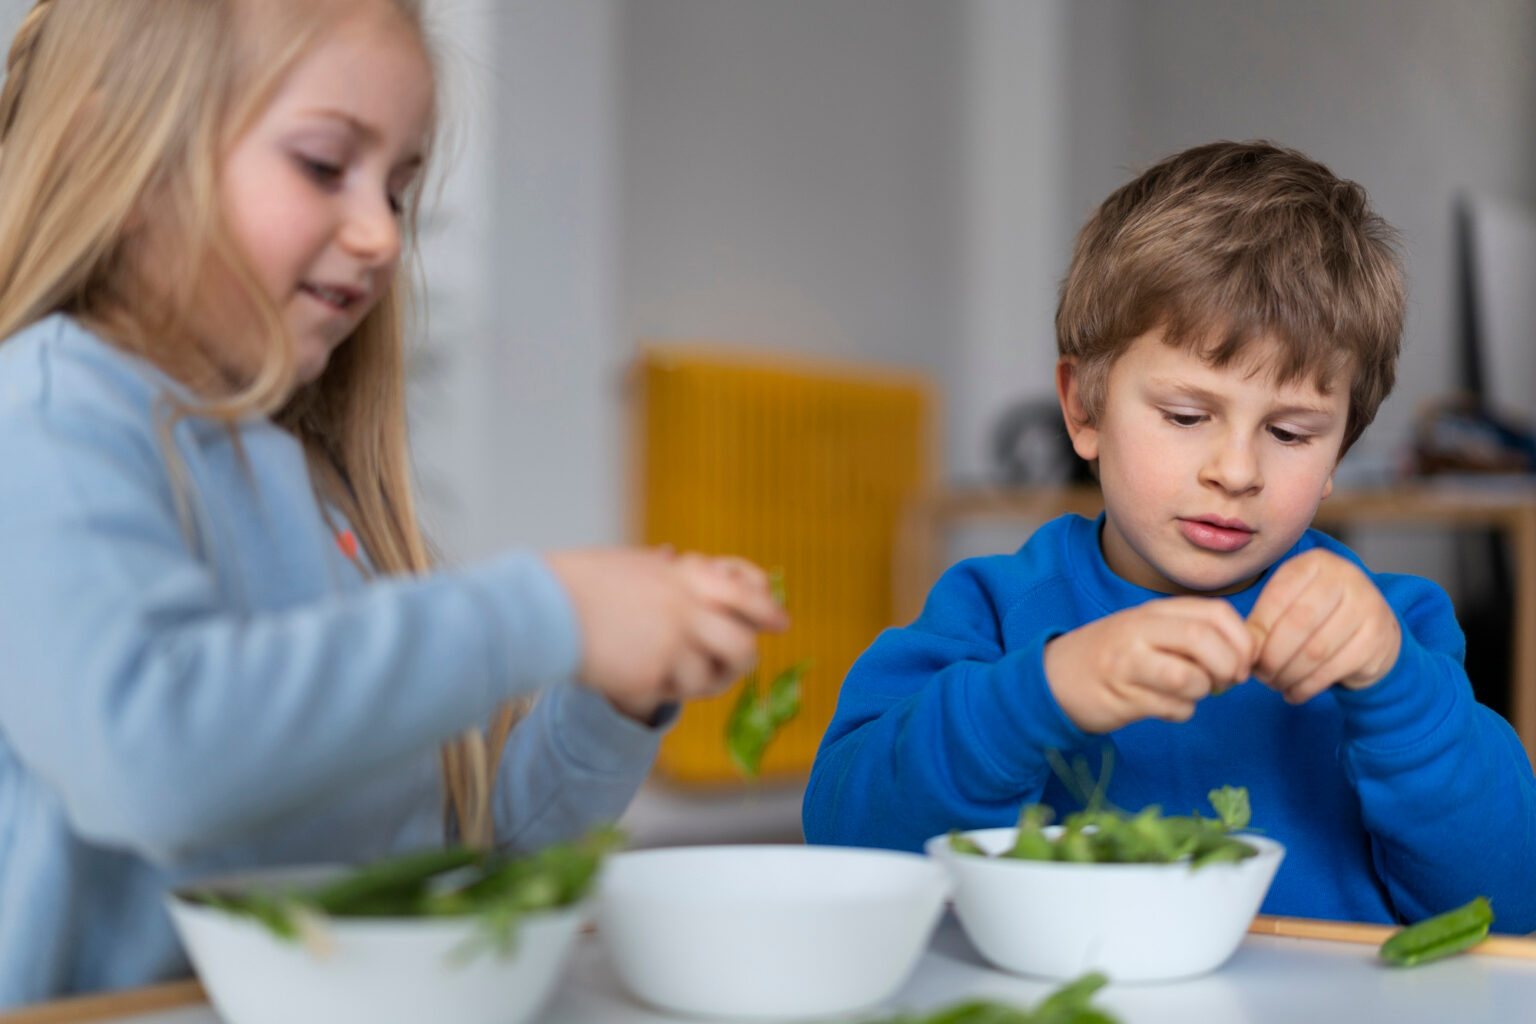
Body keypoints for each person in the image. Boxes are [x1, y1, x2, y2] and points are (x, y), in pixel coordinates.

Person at [0, 0, 788, 1008]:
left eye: (400, 191)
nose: (378, 234)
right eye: (325, 165)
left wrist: (611, 692)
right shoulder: (49, 418)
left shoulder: (318, 488)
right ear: (128, 155)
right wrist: (548, 611)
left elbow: (468, 872)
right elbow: (149, 752)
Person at [804, 140, 1536, 933]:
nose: (1236, 469)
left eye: (1290, 433)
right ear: (1083, 410)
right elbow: (848, 848)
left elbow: (1508, 907)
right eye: (1187, 417)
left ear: (1340, 455)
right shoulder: (992, 612)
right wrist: (1035, 696)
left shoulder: (1396, 634)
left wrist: (1397, 690)